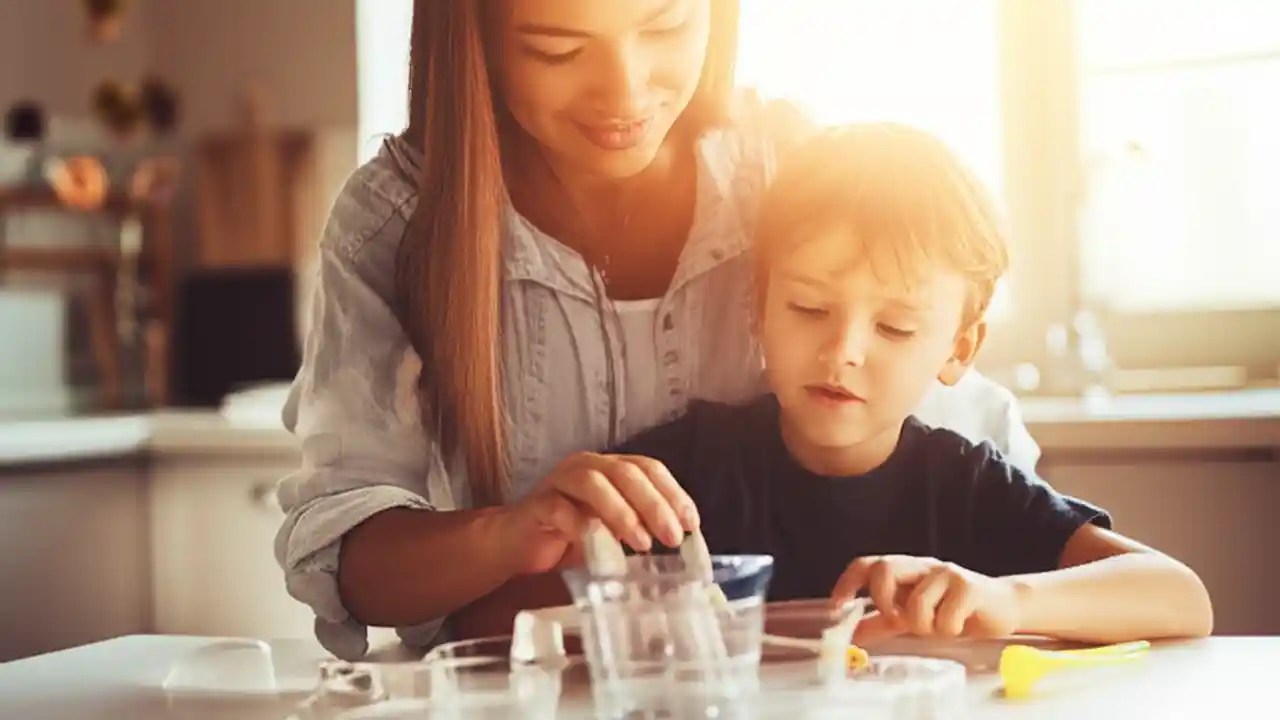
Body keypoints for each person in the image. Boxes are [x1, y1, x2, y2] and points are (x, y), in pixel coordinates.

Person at [277, 0, 1042, 660]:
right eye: (559, 48)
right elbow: (351, 558)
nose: (626, 91)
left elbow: (984, 484)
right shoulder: (398, 223)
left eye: (668, 23)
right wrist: (507, 535)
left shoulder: (787, 168)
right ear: (474, 36)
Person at [614, 124, 1214, 643]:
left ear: (958, 349)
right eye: (809, 309)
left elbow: (1181, 598)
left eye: (895, 328)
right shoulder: (682, 473)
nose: (842, 352)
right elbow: (532, 615)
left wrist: (1007, 600)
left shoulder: (965, 486)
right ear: (757, 310)